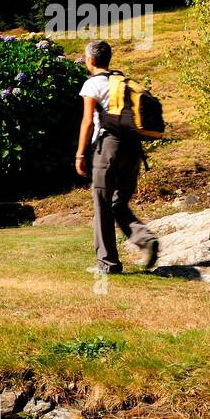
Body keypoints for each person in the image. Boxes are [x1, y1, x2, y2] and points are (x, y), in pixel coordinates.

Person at [75, 40, 158, 274]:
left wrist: (80, 154)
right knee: (118, 203)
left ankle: (107, 264)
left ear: (90, 60)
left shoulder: (92, 85)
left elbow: (88, 121)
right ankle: (145, 239)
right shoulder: (123, 82)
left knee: (102, 203)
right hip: (133, 149)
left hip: (108, 148)